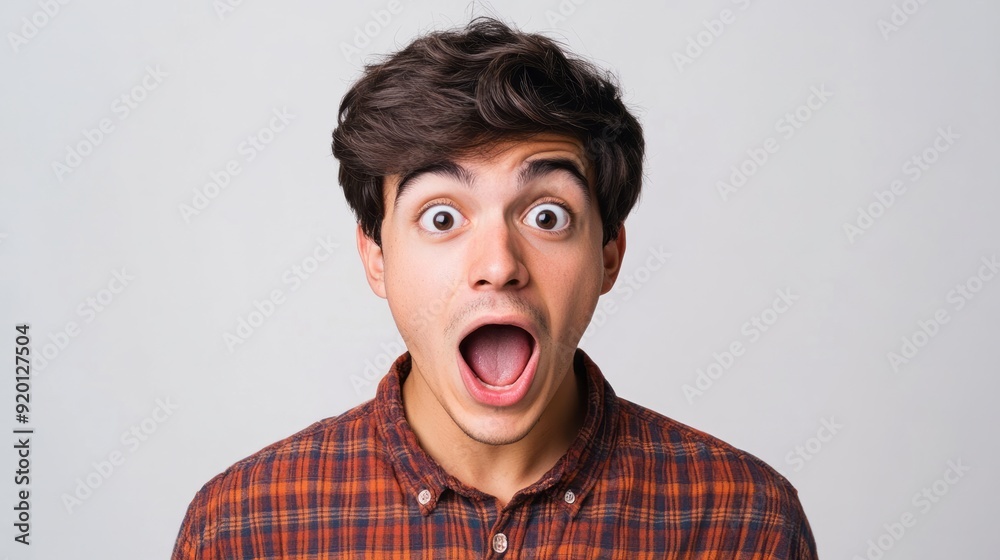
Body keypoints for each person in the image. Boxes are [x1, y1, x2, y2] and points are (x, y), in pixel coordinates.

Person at [171, 16, 818, 559]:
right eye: (443, 217)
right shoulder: (243, 529)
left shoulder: (746, 523)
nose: (499, 263)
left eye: (546, 216)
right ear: (376, 255)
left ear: (609, 254)